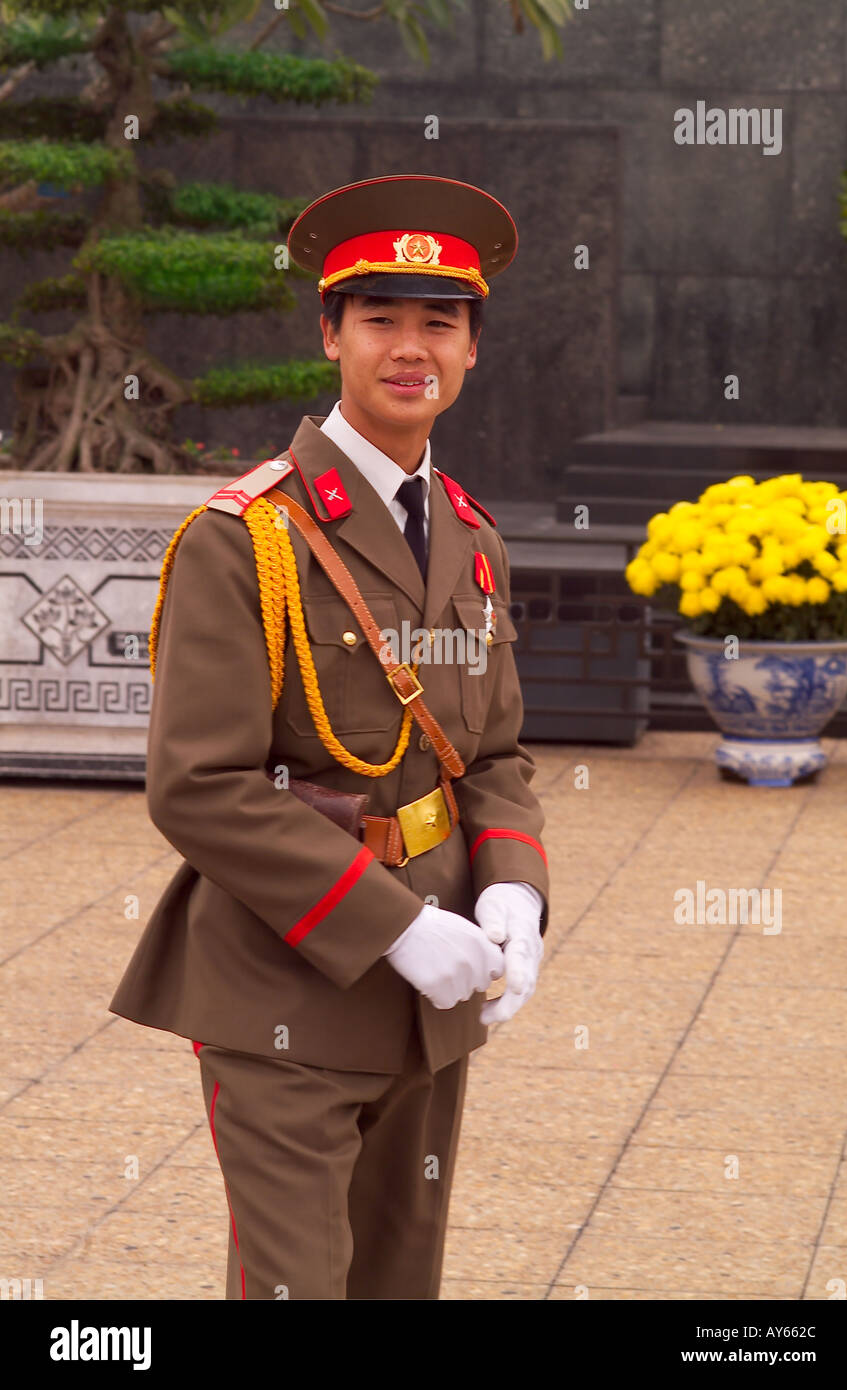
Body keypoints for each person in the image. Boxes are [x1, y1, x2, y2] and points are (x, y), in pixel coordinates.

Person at [109, 173, 550, 1300]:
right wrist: (392, 924)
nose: (411, 348)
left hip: (434, 995)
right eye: (380, 319)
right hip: (284, 987)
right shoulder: (243, 539)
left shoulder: (470, 538)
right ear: (329, 334)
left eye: (438, 323)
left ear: (471, 349)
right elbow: (197, 787)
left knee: (397, 1284)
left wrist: (510, 889)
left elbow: (492, 754)